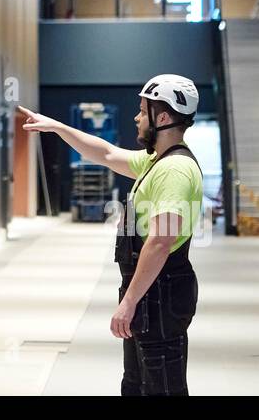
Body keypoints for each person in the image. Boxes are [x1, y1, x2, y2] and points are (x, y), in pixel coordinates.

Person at [19, 74, 204, 395]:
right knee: (136, 384)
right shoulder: (155, 162)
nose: (137, 117)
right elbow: (104, 153)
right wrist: (58, 127)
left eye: (143, 111)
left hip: (160, 292)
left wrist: (129, 302)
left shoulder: (174, 170)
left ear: (162, 117)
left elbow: (160, 243)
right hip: (150, 290)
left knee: (161, 386)